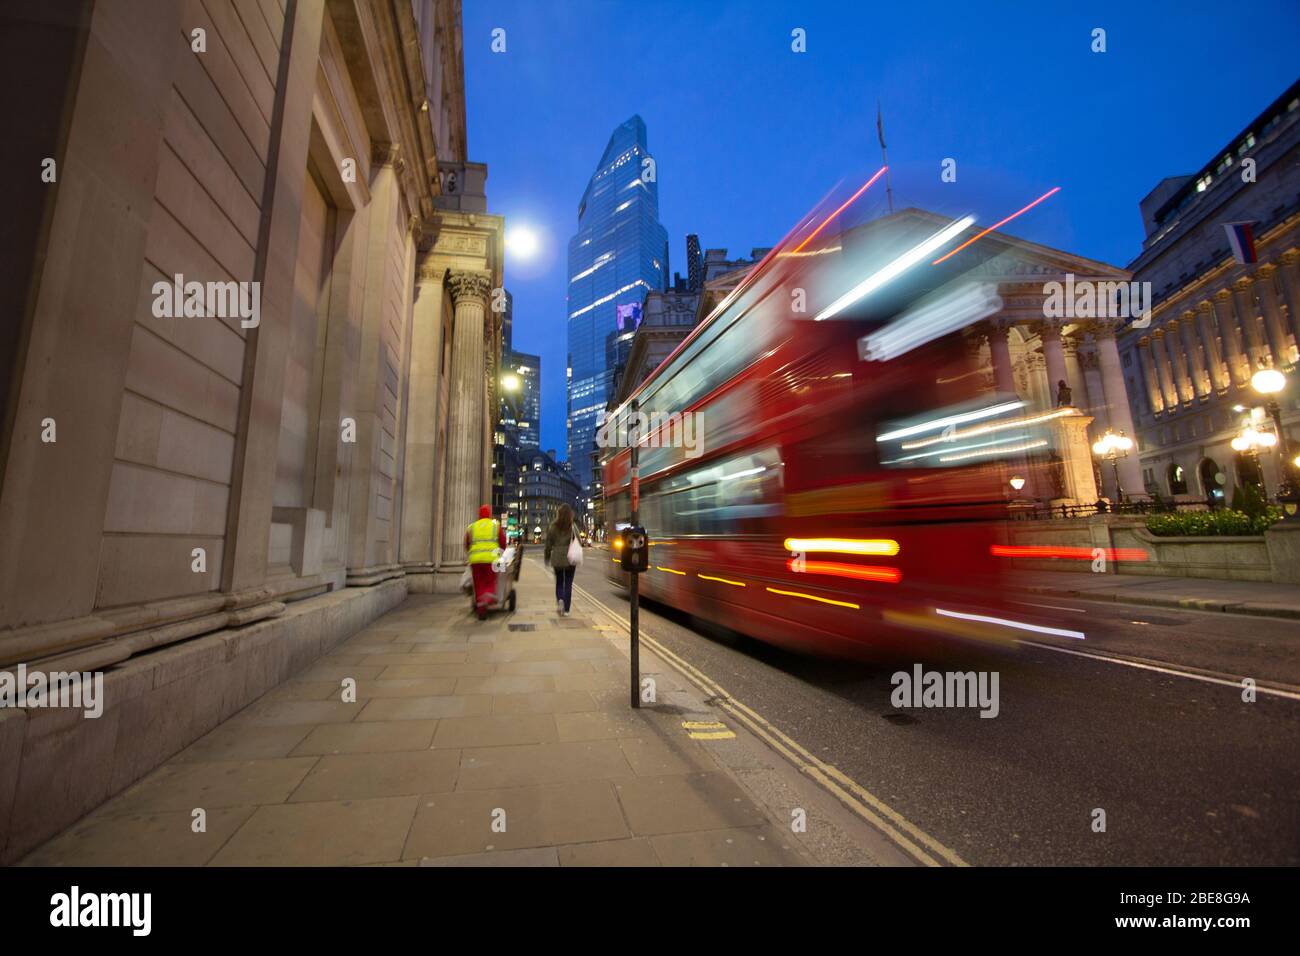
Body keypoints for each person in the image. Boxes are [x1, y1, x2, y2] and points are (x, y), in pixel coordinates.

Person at [464, 505, 505, 620]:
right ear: (489, 514)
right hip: (491, 560)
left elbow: (467, 544)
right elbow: (502, 542)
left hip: (475, 561)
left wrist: (471, 554)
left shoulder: (471, 527)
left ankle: (481, 609)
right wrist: (501, 553)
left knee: (478, 584)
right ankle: (487, 599)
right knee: (490, 582)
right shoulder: (495, 526)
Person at [543, 504, 578, 616]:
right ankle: (567, 610)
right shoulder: (572, 526)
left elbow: (548, 544)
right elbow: (579, 541)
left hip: (557, 557)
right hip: (570, 557)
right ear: (570, 515)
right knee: (568, 583)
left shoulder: (553, 527)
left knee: (559, 582)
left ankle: (560, 600)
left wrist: (547, 557)